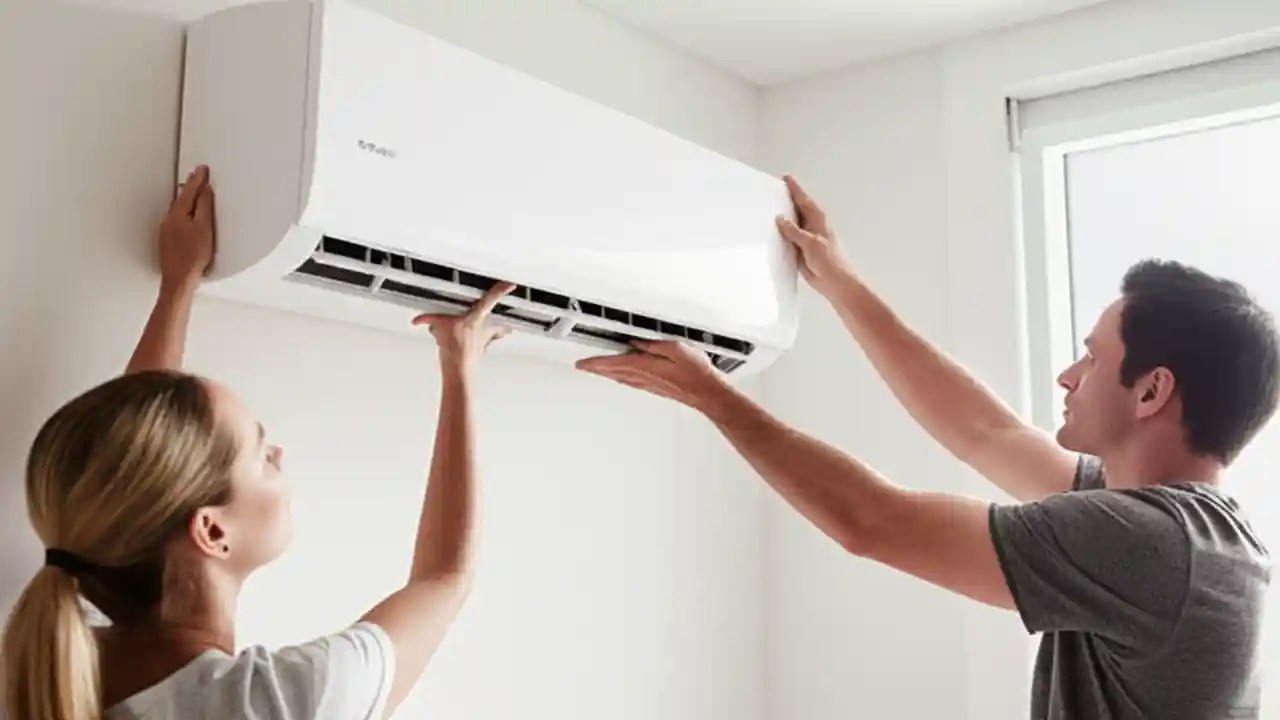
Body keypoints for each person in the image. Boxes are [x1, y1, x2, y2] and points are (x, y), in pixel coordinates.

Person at [579, 175, 1279, 720]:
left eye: (1091, 359)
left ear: (1151, 391)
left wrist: (712, 397)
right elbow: (985, 431)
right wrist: (842, 284)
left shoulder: (1149, 544)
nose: (1068, 375)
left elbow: (873, 522)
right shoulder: (1190, 532)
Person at [1, 166, 516, 720]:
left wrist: (178, 285)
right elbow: (444, 579)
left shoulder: (48, 672)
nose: (279, 455)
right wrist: (461, 362)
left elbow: (129, 457)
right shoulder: (285, 701)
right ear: (212, 530)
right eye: (259, 451)